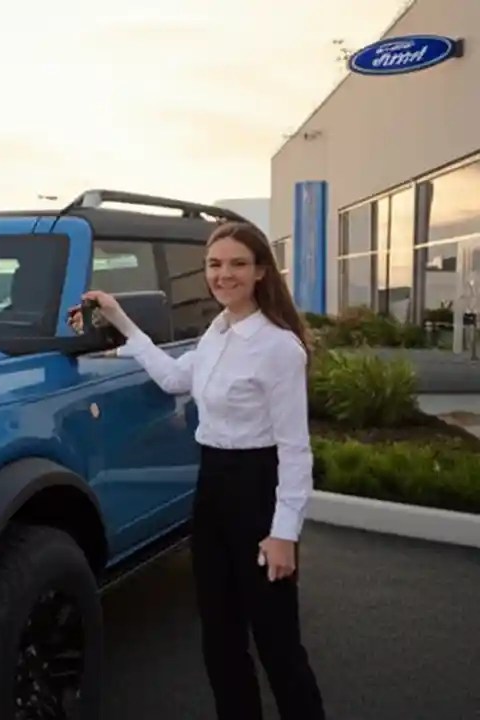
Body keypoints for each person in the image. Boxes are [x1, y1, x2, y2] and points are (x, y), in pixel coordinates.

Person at [71, 221, 326, 720]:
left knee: (277, 644)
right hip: (211, 491)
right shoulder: (218, 331)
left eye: (236, 264)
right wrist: (121, 320)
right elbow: (172, 377)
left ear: (259, 273)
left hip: (258, 490)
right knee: (220, 638)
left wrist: (283, 534)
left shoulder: (278, 347)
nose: (223, 274)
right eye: (214, 265)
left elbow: (296, 451)